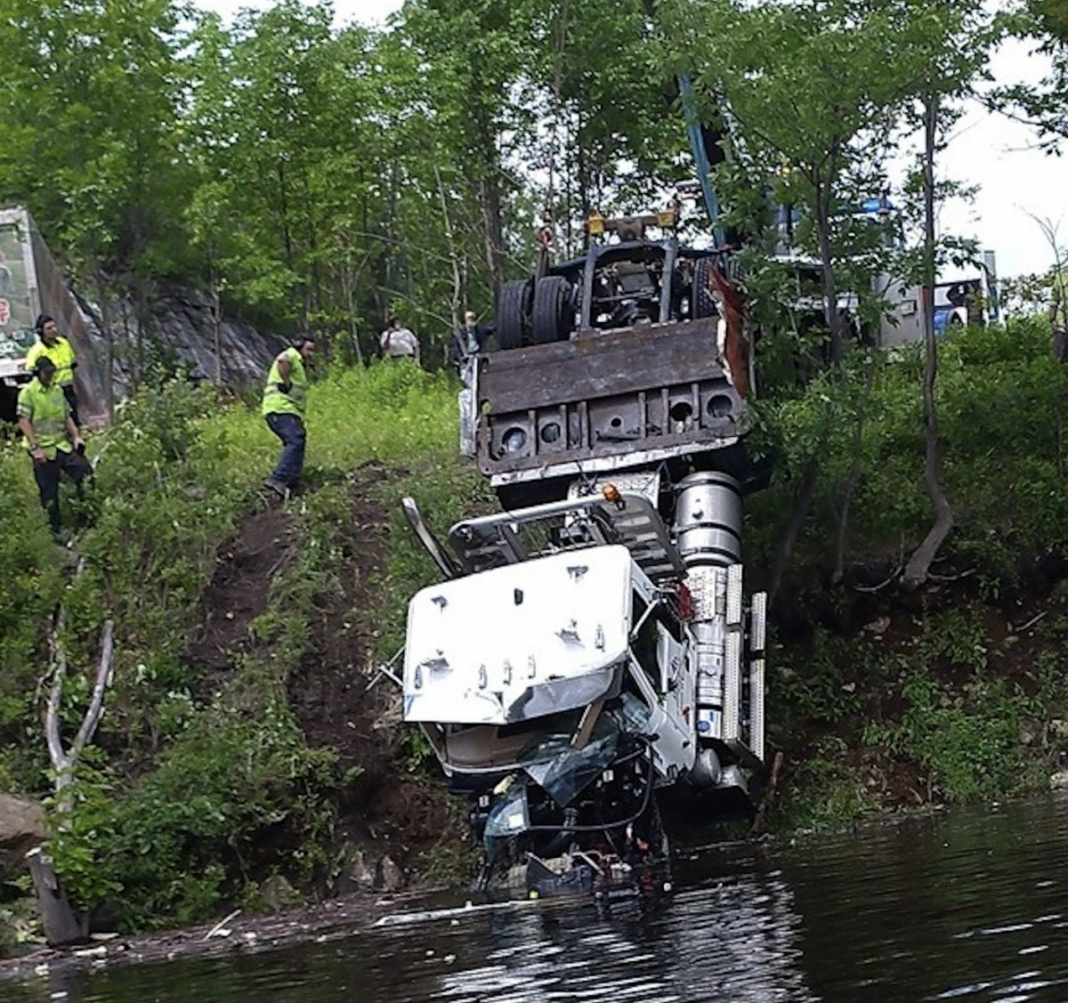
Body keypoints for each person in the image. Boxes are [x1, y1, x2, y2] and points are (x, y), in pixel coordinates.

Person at [17, 356, 89, 537]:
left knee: (85, 473)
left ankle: (86, 517)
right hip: (42, 449)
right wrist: (35, 448)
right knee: (49, 491)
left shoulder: (57, 391)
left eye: (52, 372)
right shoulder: (29, 393)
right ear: (38, 373)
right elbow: (24, 421)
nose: (50, 376)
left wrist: (76, 437)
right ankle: (55, 531)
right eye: (47, 373)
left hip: (61, 445)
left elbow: (66, 417)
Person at [261, 336, 314, 498]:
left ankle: (293, 481)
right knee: (295, 439)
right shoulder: (291, 355)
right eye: (308, 349)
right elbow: (282, 362)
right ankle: (278, 478)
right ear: (299, 347)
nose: (311, 354)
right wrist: (286, 383)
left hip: (288, 409)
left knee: (298, 439)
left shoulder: (299, 363)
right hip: (280, 408)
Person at [25, 315, 80, 427]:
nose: (54, 330)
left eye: (54, 326)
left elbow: (73, 365)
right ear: (41, 331)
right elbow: (32, 373)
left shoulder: (64, 343)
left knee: (74, 418)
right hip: (52, 390)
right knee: (58, 421)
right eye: (49, 328)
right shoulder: (37, 350)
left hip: (68, 388)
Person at [1051, 268, 1068, 362]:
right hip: (1062, 326)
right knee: (1059, 360)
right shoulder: (1061, 276)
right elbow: (1054, 300)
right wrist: (1052, 320)